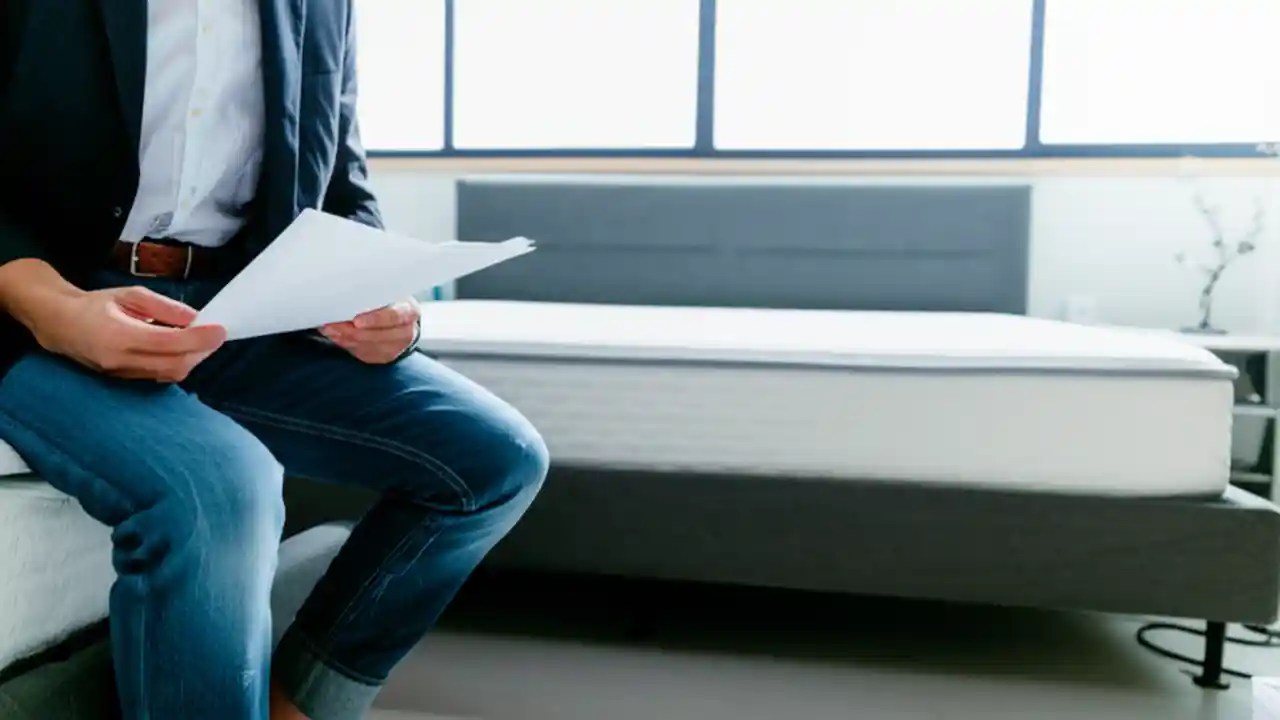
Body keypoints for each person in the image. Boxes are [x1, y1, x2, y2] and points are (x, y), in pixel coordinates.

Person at [0, 2, 549, 718]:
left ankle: (302, 705)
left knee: (497, 459)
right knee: (224, 486)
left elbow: (341, 187)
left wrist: (383, 300)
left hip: (237, 310)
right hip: (33, 303)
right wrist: (57, 309)